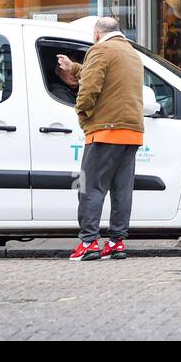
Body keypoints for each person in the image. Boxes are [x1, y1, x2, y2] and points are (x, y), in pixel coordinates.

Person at [57, 17, 145, 261]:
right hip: (132, 132)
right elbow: (105, 75)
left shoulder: (99, 50)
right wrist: (73, 67)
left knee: (89, 187)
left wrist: (82, 114)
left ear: (97, 34)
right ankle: (116, 242)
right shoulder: (131, 53)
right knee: (121, 190)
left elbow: (90, 87)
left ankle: (88, 242)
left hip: (105, 130)